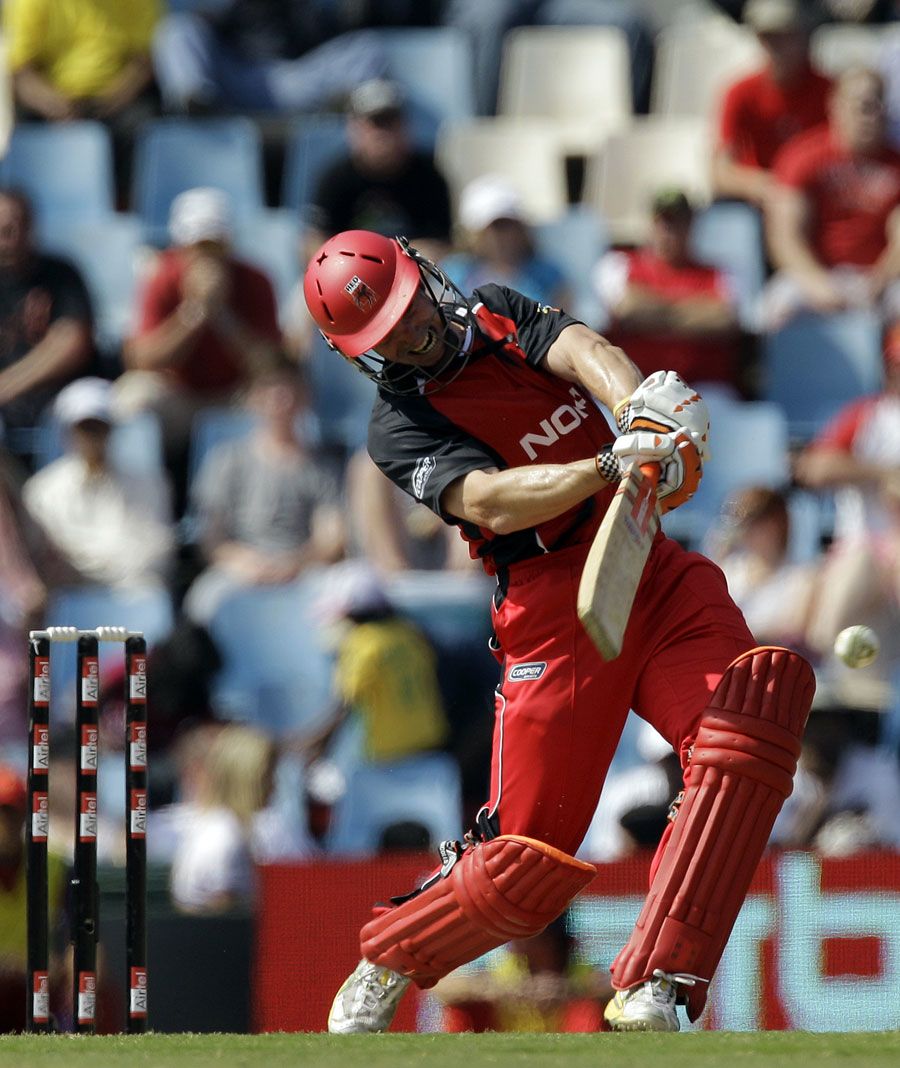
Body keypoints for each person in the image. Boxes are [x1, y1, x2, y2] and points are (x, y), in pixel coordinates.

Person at [302, 229, 815, 1034]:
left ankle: (660, 981)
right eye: (382, 334)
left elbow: (586, 352)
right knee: (521, 872)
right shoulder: (396, 426)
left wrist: (639, 410)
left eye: (405, 309)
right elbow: (491, 501)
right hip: (549, 608)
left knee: (745, 728)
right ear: (353, 352)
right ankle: (393, 952)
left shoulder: (496, 312)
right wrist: (607, 465)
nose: (408, 334)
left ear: (421, 276)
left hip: (650, 564)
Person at [117, 186, 282, 508]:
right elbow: (140, 359)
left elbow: (269, 366)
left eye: (215, 245)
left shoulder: (256, 279)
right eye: (198, 246)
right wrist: (194, 312)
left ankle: (257, 510)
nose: (207, 255)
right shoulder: (161, 277)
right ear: (181, 246)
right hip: (177, 391)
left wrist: (222, 315)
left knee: (279, 401)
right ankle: (141, 508)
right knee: (130, 402)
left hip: (233, 393)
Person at [183, 360, 345, 623]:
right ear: (253, 397)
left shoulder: (323, 466)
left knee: (341, 602)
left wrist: (295, 563)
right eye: (270, 388)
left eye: (290, 389)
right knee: (202, 604)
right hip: (239, 569)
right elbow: (211, 536)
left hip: (305, 571)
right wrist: (243, 563)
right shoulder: (226, 460)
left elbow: (331, 537)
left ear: (305, 396)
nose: (281, 398)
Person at [763, 67, 900, 330]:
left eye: (881, 104)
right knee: (777, 307)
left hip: (878, 279)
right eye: (865, 106)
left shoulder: (895, 165)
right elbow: (785, 237)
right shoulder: (803, 157)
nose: (874, 116)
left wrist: (879, 282)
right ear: (836, 107)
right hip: (816, 274)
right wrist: (819, 285)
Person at [23, 376, 175, 589]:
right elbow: (46, 556)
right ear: (69, 431)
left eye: (99, 426)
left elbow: (156, 550)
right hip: (67, 591)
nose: (92, 436)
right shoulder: (42, 490)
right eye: (85, 427)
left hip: (128, 591)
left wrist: (97, 566)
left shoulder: (148, 483)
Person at [3, 0, 161, 200]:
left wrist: (108, 103)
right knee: (25, 131)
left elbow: (145, 62)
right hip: (51, 105)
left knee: (144, 123)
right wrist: (56, 106)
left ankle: (125, 209)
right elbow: (21, 72)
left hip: (118, 103)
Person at [593, 189, 743, 397]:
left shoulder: (718, 273)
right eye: (662, 223)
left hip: (703, 391)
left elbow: (725, 320)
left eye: (677, 224)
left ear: (691, 227)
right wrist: (695, 310)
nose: (668, 232)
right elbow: (629, 311)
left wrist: (656, 314)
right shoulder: (620, 264)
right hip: (637, 389)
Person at [152, 0, 385, 115]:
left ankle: (355, 105)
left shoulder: (307, 8)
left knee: (367, 45)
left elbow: (328, 35)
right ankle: (193, 99)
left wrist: (348, 15)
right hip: (234, 80)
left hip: (291, 82)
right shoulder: (231, 6)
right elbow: (202, 24)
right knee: (177, 29)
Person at [0, 188, 94, 471]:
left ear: (32, 226)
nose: (10, 233)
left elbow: (72, 343)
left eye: (18, 224)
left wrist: (8, 385)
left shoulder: (60, 274)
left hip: (57, 396)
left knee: (82, 414)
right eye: (3, 226)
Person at [712, 0, 832, 208]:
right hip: (755, 201)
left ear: (804, 36)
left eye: (786, 35)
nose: (777, 46)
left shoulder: (831, 93)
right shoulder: (740, 92)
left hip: (817, 198)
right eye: (768, 37)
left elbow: (846, 158)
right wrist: (761, 185)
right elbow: (720, 171)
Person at [432, 911, 612, 1032]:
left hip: (571, 1046)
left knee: (590, 1009)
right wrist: (505, 990)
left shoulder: (578, 968)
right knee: (462, 1010)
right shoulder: (506, 965)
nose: (515, 942)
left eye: (527, 936)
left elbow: (619, 988)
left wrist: (566, 989)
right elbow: (440, 987)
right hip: (501, 1051)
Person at [443, 174, 570, 311]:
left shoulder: (548, 274)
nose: (501, 236)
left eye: (508, 224)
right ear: (473, 234)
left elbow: (562, 318)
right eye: (494, 226)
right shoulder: (455, 273)